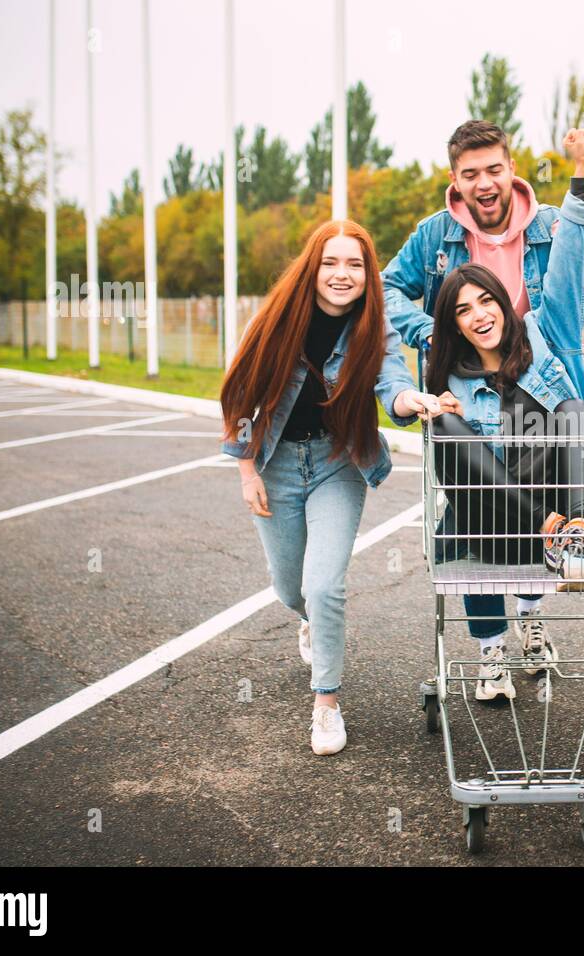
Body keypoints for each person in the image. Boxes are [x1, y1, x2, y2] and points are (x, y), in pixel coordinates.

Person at [385, 119, 584, 672]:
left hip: (550, 462)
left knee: (575, 412)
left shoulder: (542, 323)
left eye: (493, 169)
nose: (483, 182)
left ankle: (565, 557)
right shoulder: (436, 243)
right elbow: (386, 293)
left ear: (512, 170)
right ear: (454, 180)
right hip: (494, 507)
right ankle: (492, 647)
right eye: (470, 174)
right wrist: (429, 338)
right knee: (454, 442)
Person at [220, 220, 441, 756]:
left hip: (337, 463)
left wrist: (412, 402)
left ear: (368, 274)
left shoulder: (374, 326)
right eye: (331, 263)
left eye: (355, 264)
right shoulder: (275, 319)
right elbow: (237, 398)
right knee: (290, 589)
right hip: (274, 465)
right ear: (313, 268)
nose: (343, 275)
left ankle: (326, 703)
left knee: (324, 587)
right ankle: (310, 624)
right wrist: (247, 473)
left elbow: (393, 380)